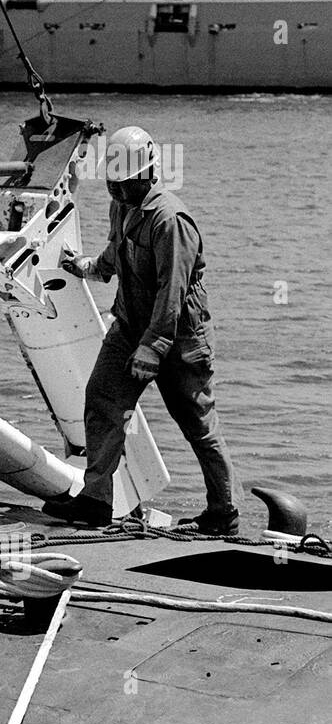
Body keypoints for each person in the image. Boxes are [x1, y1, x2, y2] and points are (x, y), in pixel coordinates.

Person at [45, 126, 239, 535]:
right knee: (102, 397)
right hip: (131, 326)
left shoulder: (171, 221)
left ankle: (224, 513)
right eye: (112, 184)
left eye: (123, 183)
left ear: (148, 174)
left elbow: (173, 290)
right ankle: (96, 499)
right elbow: (115, 253)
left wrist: (153, 348)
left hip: (177, 339)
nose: (115, 191)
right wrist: (85, 267)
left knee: (198, 425)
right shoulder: (122, 206)